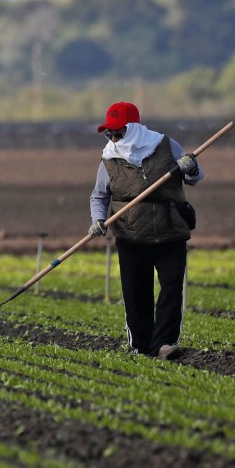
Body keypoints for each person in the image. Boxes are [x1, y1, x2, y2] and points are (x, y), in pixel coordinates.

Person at [88, 101, 203, 361]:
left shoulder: (165, 146)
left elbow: (196, 177)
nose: (114, 138)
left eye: (119, 132)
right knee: (135, 292)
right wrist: (97, 219)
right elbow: (99, 196)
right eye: (110, 133)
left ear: (135, 128)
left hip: (170, 230)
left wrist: (190, 167)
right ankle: (140, 347)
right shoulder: (108, 158)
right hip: (131, 235)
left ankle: (163, 344)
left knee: (172, 289)